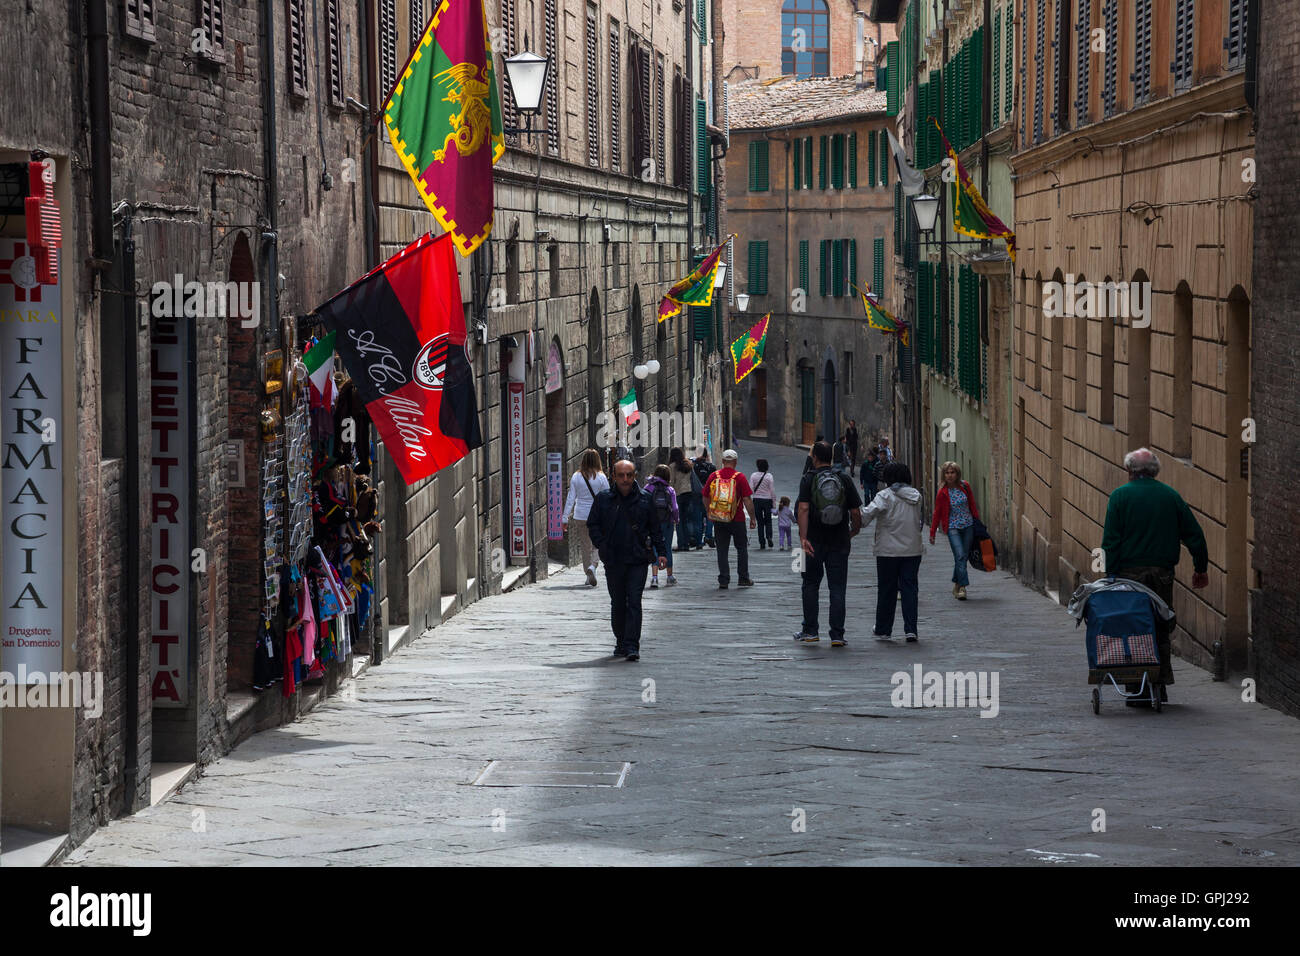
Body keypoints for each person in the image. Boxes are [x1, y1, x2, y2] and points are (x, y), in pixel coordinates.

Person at [1101, 448, 1209, 704]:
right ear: (1155, 471)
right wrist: (1200, 568)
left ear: (1129, 471)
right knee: (1160, 625)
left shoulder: (1119, 497)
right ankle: (1159, 682)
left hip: (1129, 576)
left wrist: (1111, 575)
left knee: (1131, 626)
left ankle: (1135, 685)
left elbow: (1111, 542)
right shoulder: (1170, 496)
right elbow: (1194, 535)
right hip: (1161, 575)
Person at [585, 459, 668, 662]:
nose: (625, 479)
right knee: (618, 602)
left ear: (634, 476)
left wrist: (662, 552)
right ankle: (621, 641)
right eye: (621, 475)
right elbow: (593, 524)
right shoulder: (604, 499)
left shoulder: (644, 499)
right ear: (613, 476)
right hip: (613, 559)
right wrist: (602, 545)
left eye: (629, 475)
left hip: (638, 559)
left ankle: (632, 645)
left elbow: (655, 528)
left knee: (634, 601)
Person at [793, 440, 863, 646]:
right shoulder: (843, 478)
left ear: (814, 457)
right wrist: (854, 530)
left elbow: (803, 509)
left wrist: (803, 538)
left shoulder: (808, 479)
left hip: (813, 540)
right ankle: (837, 635)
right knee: (837, 588)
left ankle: (811, 631)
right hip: (839, 540)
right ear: (831, 458)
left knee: (810, 584)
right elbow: (856, 511)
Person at [862, 462, 924, 642]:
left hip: (887, 551)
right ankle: (911, 629)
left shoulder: (884, 496)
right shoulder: (916, 496)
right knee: (910, 589)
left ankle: (883, 628)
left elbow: (868, 514)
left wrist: (855, 522)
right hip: (912, 549)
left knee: (886, 590)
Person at [703, 449, 757, 589]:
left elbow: (705, 495)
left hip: (719, 519)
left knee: (722, 549)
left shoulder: (714, 476)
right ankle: (743, 578)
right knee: (741, 548)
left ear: (722, 461)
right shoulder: (740, 477)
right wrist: (752, 518)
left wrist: (709, 511)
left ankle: (724, 580)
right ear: (735, 461)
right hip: (737, 518)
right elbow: (747, 500)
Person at [929, 461, 981, 601]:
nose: (950, 475)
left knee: (962, 556)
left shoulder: (965, 486)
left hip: (968, 525)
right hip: (953, 527)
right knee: (959, 555)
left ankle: (957, 584)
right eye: (947, 473)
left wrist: (978, 523)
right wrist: (932, 532)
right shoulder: (942, 492)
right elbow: (937, 513)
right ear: (944, 475)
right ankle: (963, 587)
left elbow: (972, 504)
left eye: (952, 472)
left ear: (957, 474)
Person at [562, 448, 610, 587]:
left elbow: (571, 498)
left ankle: (588, 575)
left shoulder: (576, 477)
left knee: (585, 545)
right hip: (597, 516)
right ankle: (593, 567)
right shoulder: (601, 477)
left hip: (580, 515)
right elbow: (607, 497)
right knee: (597, 544)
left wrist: (565, 518)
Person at [646, 464, 680, 588]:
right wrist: (676, 519)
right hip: (667, 522)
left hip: (652, 523)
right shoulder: (670, 490)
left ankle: (654, 578)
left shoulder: (648, 487)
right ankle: (669, 576)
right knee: (666, 548)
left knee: (654, 547)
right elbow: (675, 508)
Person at [667, 447, 697, 552]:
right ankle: (687, 544)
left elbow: (671, 482)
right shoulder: (688, 464)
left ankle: (681, 544)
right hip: (688, 493)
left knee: (679, 521)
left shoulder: (672, 466)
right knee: (686, 519)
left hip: (678, 494)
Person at [749, 457, 776, 550]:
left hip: (757, 500)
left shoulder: (753, 475)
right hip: (767, 500)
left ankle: (762, 543)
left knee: (760, 522)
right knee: (768, 521)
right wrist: (774, 503)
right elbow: (772, 490)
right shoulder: (769, 476)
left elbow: (751, 489)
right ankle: (769, 536)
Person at [691, 449, 716, 549]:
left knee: (698, 518)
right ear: (706, 455)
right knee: (710, 516)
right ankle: (708, 536)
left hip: (696, 495)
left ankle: (698, 541)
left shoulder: (693, 467)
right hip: (709, 494)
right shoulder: (712, 467)